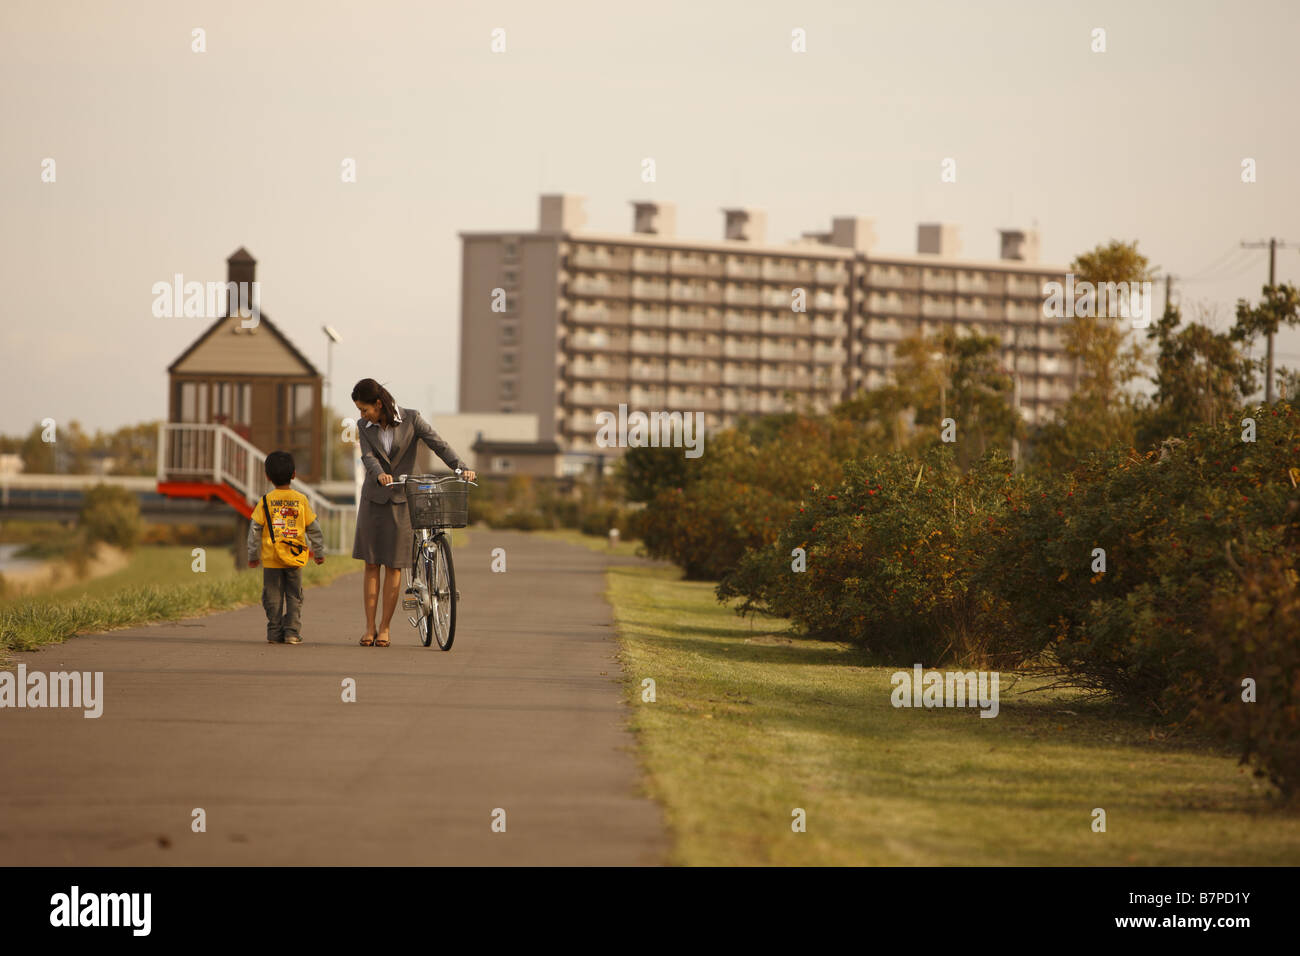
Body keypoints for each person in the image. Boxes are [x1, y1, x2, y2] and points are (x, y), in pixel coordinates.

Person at [351, 378, 475, 647]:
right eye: (359, 410)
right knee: (371, 564)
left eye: (364, 409)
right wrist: (379, 473)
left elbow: (439, 445)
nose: (362, 415)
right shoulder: (363, 426)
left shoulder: (412, 419)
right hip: (374, 498)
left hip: (403, 498)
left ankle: (385, 628)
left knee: (394, 564)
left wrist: (460, 468)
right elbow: (368, 456)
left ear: (378, 404)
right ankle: (369, 627)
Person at [247, 451, 326, 644]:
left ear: (267, 476)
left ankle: (274, 633)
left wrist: (253, 554)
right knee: (294, 595)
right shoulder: (301, 500)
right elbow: (313, 528)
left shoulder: (265, 501)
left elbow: (255, 530)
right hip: (295, 557)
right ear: (294, 475)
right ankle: (291, 632)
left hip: (271, 558)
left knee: (272, 596)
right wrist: (318, 551)